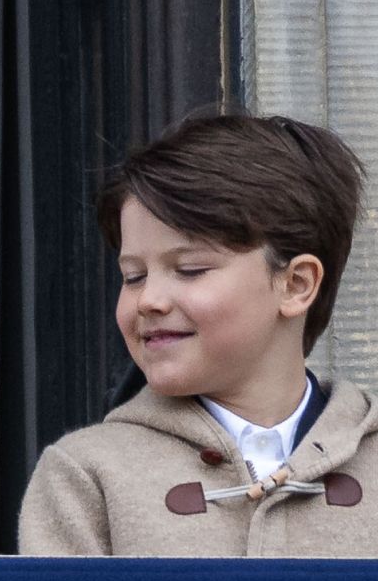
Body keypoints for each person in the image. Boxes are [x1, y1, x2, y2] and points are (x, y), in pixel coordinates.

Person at [19, 112, 378, 557]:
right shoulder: (86, 473)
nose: (149, 299)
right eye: (132, 276)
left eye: (190, 270)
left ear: (296, 284)